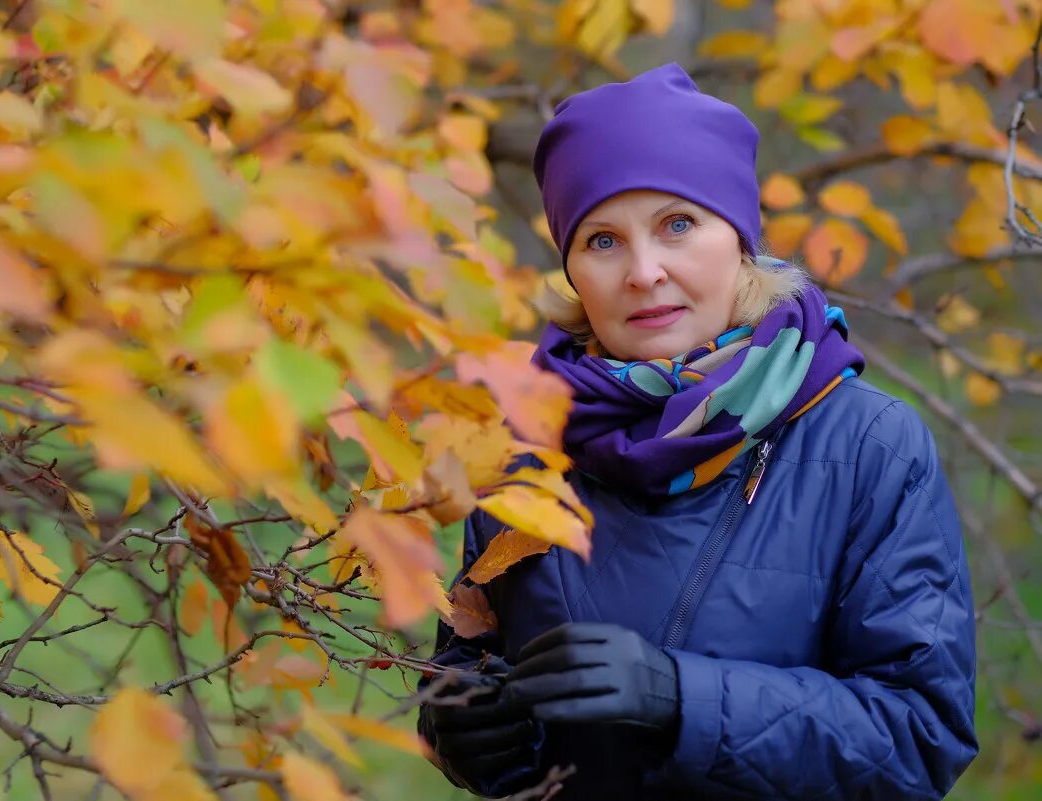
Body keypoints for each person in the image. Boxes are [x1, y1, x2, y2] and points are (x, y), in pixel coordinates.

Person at [416, 63, 978, 800]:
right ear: (572, 269)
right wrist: (459, 728)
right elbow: (468, 661)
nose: (644, 271)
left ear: (738, 239)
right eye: (602, 240)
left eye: (677, 224)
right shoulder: (520, 440)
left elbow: (918, 736)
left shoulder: (867, 444)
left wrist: (681, 698)